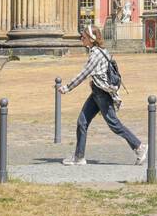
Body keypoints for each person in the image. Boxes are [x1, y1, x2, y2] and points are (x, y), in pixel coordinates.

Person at [59, 25, 146, 167]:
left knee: (114, 124)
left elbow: (84, 73)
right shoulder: (99, 51)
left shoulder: (96, 54)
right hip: (96, 92)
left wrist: (67, 87)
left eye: (84, 37)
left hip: (102, 94)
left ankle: (139, 147)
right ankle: (79, 157)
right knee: (82, 121)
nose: (82, 38)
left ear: (91, 39)